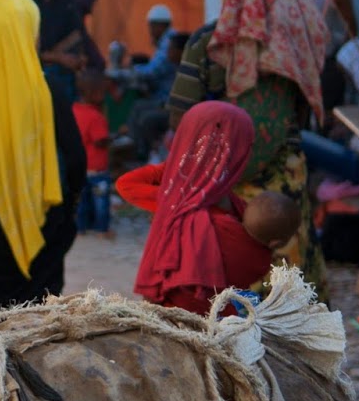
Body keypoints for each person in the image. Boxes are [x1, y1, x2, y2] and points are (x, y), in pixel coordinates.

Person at [166, 0, 329, 293]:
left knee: (232, 295)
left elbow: (182, 121)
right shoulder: (298, 45)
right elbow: (302, 116)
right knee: (293, 289)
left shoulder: (208, 43)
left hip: (225, 191)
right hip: (285, 188)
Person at [0, 0, 87, 312]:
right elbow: (75, 158)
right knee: (42, 308)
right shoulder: (45, 90)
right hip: (47, 215)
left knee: (0, 302)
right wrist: (69, 206)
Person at [119, 101, 278, 314]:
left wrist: (178, 166)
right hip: (221, 328)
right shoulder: (241, 209)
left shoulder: (172, 202)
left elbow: (126, 184)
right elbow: (258, 264)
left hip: (174, 325)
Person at [306, 0, 358, 123]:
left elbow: (352, 27)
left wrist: (340, 58)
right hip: (304, 63)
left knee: (328, 117)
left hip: (328, 64)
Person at [124, 5, 179, 159]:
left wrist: (132, 69)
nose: (150, 30)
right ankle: (135, 149)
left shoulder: (169, 42)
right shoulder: (166, 40)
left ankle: (142, 154)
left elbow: (153, 70)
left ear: (160, 25)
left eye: (152, 26)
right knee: (138, 106)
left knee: (145, 117)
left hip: (167, 99)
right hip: (164, 97)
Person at [73, 70, 114, 236]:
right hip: (97, 169)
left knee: (82, 202)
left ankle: (80, 228)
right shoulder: (96, 117)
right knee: (101, 201)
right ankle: (102, 228)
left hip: (80, 167)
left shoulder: (73, 110)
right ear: (94, 93)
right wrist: (115, 137)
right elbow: (100, 140)